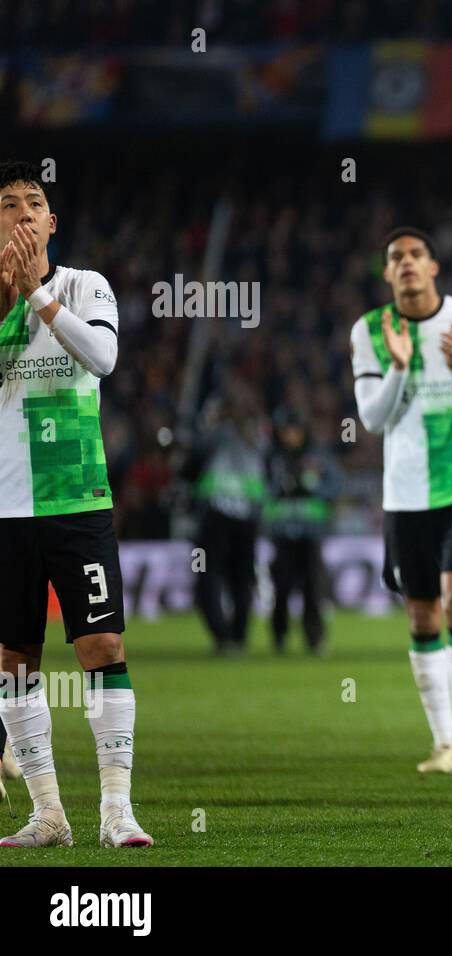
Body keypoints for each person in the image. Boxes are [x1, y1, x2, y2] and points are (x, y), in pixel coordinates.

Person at [0, 160, 151, 848]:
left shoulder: (86, 286)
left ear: (52, 223)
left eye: (34, 204)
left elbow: (103, 359)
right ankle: (48, 814)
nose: (23, 214)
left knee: (103, 643)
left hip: (75, 496)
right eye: (8, 205)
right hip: (4, 507)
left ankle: (117, 811)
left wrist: (37, 296)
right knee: (15, 663)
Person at [350, 226, 452, 775]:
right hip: (406, 491)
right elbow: (371, 419)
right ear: (388, 273)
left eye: (417, 255)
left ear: (434, 267)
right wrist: (399, 366)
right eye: (397, 258)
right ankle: (442, 743)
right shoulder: (371, 330)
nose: (408, 263)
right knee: (420, 614)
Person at [187, 384, 268, 656]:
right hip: (248, 519)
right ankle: (239, 637)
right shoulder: (259, 438)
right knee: (242, 579)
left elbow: (190, 465)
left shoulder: (214, 437)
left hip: (216, 515)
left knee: (207, 577)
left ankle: (222, 637)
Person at [265, 413, 338, 655]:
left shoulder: (318, 457)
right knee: (281, 588)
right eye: (287, 431)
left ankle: (314, 639)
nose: (291, 436)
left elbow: (336, 486)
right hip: (283, 534)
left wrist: (311, 486)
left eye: (295, 431)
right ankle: (279, 637)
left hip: (310, 534)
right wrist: (280, 487)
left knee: (312, 588)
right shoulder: (273, 459)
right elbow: (262, 489)